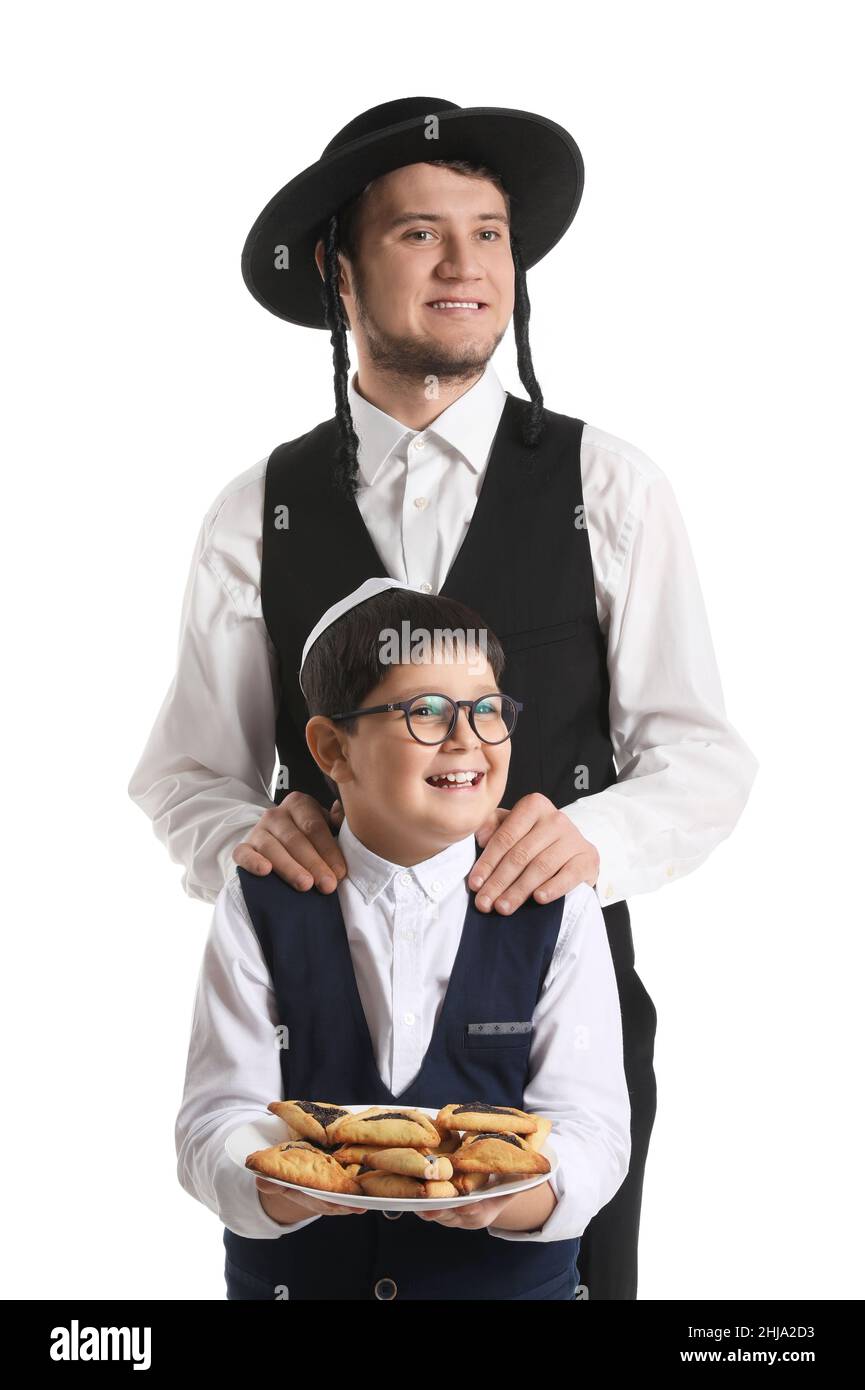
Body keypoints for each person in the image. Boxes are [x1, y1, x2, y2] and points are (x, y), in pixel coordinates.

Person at [131, 97, 759, 1298]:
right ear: (339, 268)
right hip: (310, 1002)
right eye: (421, 233)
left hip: (557, 1003)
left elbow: (700, 751)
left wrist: (579, 843)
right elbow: (186, 772)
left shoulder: (609, 486)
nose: (468, 264)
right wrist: (258, 849)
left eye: (490, 232)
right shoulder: (251, 510)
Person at [175, 579, 631, 1300]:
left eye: (487, 710)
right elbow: (214, 1118)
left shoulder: (554, 905)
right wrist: (292, 1188)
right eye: (424, 711)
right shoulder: (261, 902)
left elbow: (591, 1129)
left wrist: (503, 1194)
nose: (467, 738)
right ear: (331, 748)